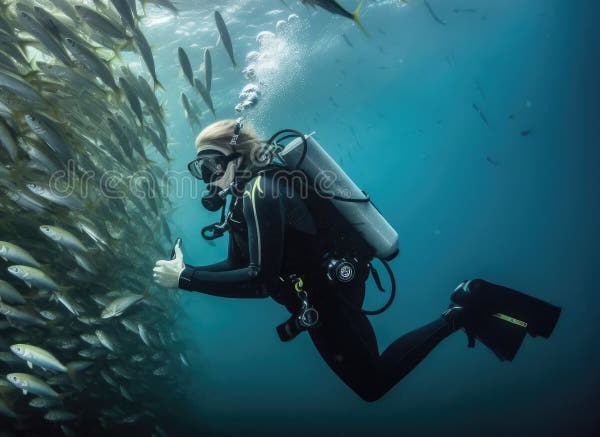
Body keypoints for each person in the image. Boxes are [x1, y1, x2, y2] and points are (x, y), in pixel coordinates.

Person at [152, 119, 561, 402]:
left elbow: (260, 281)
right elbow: (236, 267)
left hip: (327, 298)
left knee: (372, 384)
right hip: (328, 290)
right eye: (198, 168)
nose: (205, 177)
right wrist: (188, 272)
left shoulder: (262, 192)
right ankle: (467, 307)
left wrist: (187, 279)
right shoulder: (246, 201)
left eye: (208, 165)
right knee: (372, 379)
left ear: (235, 157)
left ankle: (465, 307)